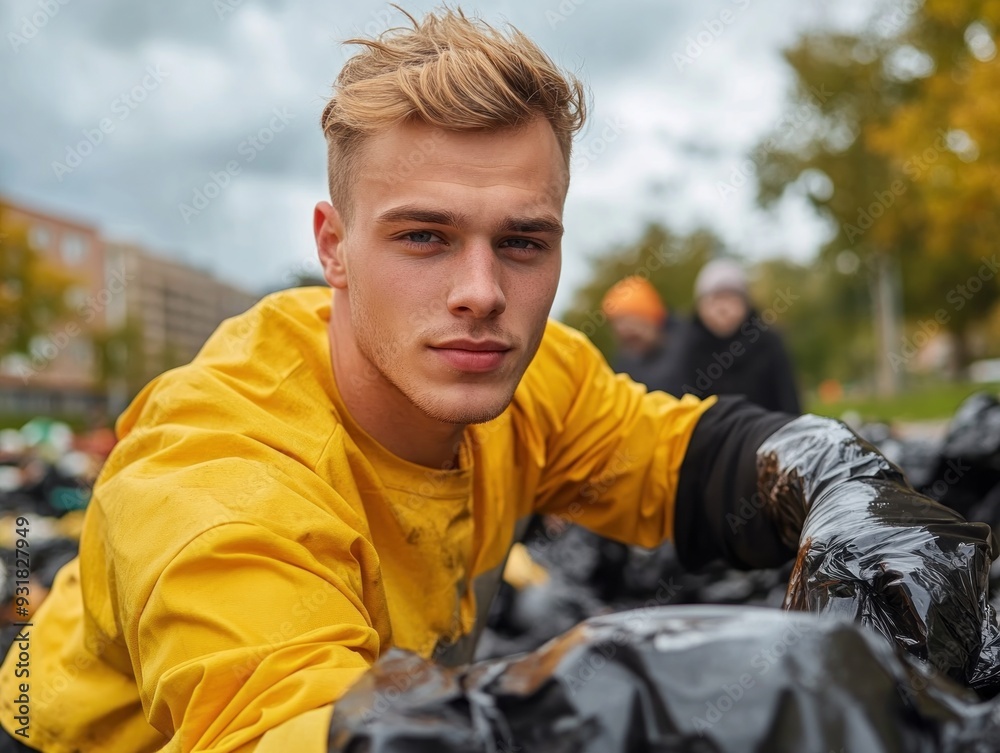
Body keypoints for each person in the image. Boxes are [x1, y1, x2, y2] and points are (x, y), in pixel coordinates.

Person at [0, 8, 990, 752]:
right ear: (333, 249)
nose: (482, 294)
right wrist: (634, 697)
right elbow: (289, 733)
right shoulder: (218, 476)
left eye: (522, 242)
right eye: (423, 238)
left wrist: (831, 478)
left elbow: (677, 457)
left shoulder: (531, 375)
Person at [666, 258, 801, 413]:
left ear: (746, 303)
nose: (723, 308)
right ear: (699, 306)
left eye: (731, 298)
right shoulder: (684, 347)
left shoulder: (768, 344)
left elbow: (788, 402)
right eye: (714, 299)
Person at [600, 276, 678, 391]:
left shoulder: (692, 344)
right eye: (617, 324)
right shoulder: (623, 367)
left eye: (631, 323)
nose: (623, 330)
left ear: (653, 319)